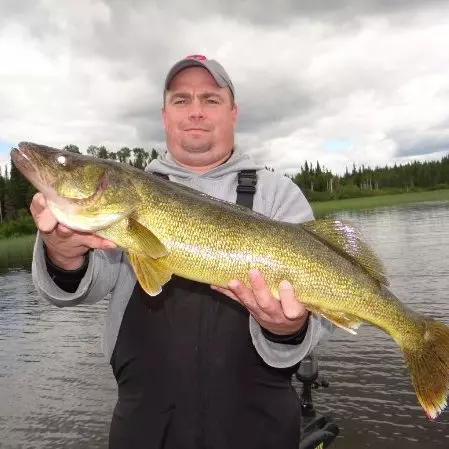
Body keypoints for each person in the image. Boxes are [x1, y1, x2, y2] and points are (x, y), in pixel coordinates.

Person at [29, 55, 333, 449]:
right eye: (181, 99)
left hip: (259, 428)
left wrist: (288, 329)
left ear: (233, 112)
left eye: (210, 99)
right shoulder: (125, 195)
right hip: (147, 428)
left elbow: (320, 316)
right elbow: (84, 285)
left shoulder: (278, 195)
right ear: (164, 114)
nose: (195, 112)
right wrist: (63, 255)